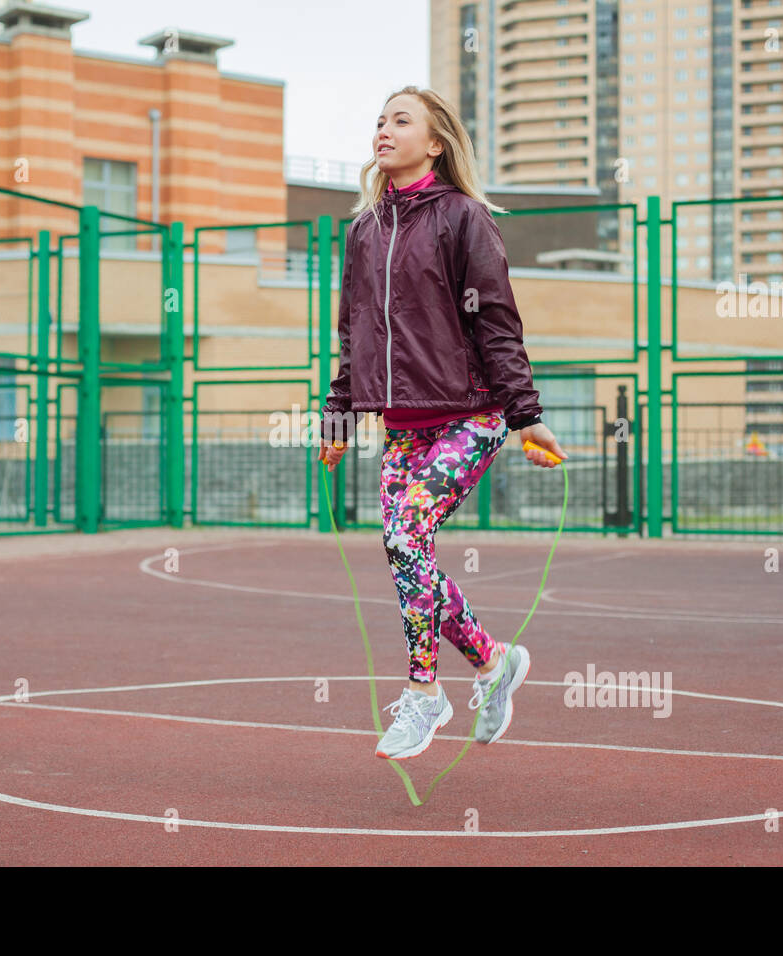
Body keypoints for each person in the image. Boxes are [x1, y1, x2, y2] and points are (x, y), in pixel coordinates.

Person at [319, 86, 567, 761]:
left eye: (401, 120)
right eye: (378, 119)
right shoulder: (364, 230)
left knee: (404, 536)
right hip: (402, 425)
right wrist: (338, 414)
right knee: (408, 551)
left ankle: (425, 694)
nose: (384, 128)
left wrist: (525, 417)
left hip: (471, 415)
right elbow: (354, 332)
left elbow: (496, 322)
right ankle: (492, 664)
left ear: (434, 143)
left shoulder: (464, 218)